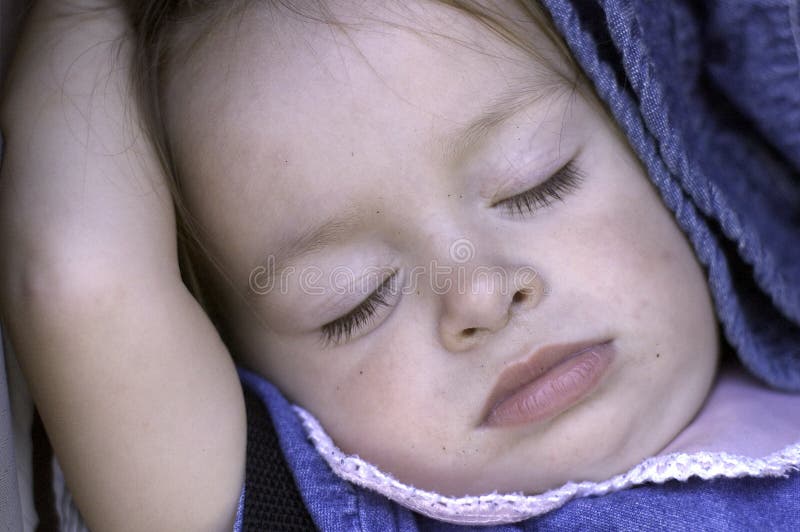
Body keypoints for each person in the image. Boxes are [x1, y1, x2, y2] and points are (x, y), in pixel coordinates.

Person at [1, 0, 798, 530]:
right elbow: (79, 281)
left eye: (537, 180)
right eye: (354, 302)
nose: (481, 294)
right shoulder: (301, 506)